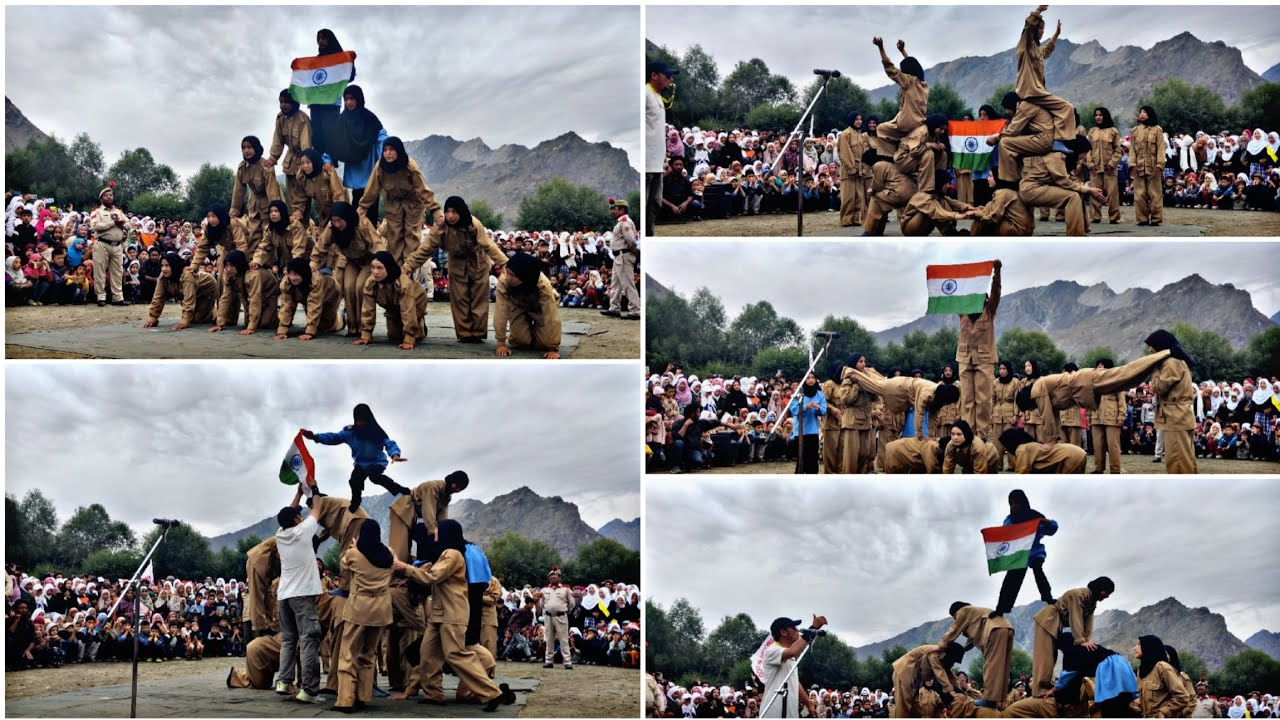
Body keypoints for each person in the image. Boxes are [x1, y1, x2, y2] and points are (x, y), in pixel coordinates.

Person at [392, 520, 517, 711]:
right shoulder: (444, 554)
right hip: (440, 614)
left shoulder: (452, 554)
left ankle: (492, 693)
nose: (434, 534)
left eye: (437, 531)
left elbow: (432, 576)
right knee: (427, 654)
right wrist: (409, 575)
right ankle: (434, 694)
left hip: (452, 613)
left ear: (446, 533)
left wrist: (404, 568)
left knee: (455, 654)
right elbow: (428, 570)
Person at [402, 196, 508, 343]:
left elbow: (489, 245)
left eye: (454, 212)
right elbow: (425, 249)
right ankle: (464, 333)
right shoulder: (440, 227)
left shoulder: (473, 224)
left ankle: (477, 333)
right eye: (447, 211)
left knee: (479, 300)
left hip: (478, 262)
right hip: (456, 264)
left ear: (461, 212)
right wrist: (408, 266)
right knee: (459, 300)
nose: (450, 216)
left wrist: (505, 264)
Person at [303, 404, 410, 513]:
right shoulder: (351, 433)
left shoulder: (377, 433)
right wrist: (315, 437)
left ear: (368, 420)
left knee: (375, 477)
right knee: (354, 480)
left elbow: (389, 444)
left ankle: (399, 489)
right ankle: (356, 501)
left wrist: (395, 455)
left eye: (362, 421)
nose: (359, 423)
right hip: (361, 464)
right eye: (357, 420)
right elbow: (334, 437)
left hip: (377, 462)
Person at [333, 519, 392, 712]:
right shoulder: (388, 554)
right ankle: (363, 696)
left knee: (348, 653)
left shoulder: (353, 554)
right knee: (368, 654)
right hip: (381, 611)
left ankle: (345, 699)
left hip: (359, 609)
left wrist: (354, 546)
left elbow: (343, 567)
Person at [273, 487, 325, 704]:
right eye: (299, 516)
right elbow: (319, 506)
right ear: (296, 520)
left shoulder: (280, 534)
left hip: (284, 595)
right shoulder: (303, 531)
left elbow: (289, 513)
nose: (302, 516)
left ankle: (283, 682)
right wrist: (312, 488)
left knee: (288, 640)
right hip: (302, 596)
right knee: (309, 640)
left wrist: (298, 493)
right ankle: (309, 691)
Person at [357, 136, 442, 263]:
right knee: (394, 240)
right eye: (385, 150)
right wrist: (362, 208)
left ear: (398, 150)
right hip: (393, 205)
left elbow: (423, 190)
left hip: (413, 205)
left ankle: (409, 272)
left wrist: (436, 212)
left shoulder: (409, 166)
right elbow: (372, 190)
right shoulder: (380, 167)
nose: (387, 153)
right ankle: (396, 273)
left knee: (411, 239)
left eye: (391, 149)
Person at [310, 201, 386, 336]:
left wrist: (382, 265)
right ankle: (352, 327)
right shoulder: (332, 227)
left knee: (360, 287)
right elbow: (322, 245)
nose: (337, 224)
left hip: (368, 260)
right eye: (334, 221)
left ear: (347, 217)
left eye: (340, 220)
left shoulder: (362, 224)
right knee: (349, 288)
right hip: (350, 260)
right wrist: (314, 263)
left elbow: (377, 245)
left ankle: (364, 328)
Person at [1030, 577, 1114, 694]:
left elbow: (1088, 623)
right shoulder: (1078, 595)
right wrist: (1080, 641)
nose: (1107, 596)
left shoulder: (1091, 602)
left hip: (1057, 623)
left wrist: (1086, 643)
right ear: (1100, 588)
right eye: (1107, 592)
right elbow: (1076, 617)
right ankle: (1039, 691)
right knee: (1046, 656)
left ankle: (1048, 686)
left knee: (1053, 655)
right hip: (1048, 619)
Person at [846, 366, 960, 440]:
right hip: (898, 387)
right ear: (945, 398)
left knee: (879, 382)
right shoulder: (927, 393)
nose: (947, 404)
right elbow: (919, 414)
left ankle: (867, 371)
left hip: (905, 391)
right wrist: (920, 437)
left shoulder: (939, 397)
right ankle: (852, 373)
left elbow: (934, 416)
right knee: (877, 387)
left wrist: (930, 435)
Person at [1014, 6, 1077, 142]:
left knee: (1053, 115)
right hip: (1032, 92)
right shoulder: (1024, 46)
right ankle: (1060, 141)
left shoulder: (1037, 50)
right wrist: (1038, 11)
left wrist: (1056, 35)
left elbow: (1047, 50)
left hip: (1038, 92)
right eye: (1040, 28)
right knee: (1067, 108)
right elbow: (1028, 26)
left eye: (1043, 29)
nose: (1042, 32)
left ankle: (1051, 138)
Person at [992, 489, 1057, 616]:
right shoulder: (1010, 520)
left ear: (1023, 502)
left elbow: (1051, 530)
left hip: (1035, 553)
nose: (1013, 506)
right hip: (1019, 555)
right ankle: (1001, 609)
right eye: (1011, 503)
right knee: (1011, 580)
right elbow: (1005, 536)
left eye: (1016, 502)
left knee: (1038, 570)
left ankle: (1048, 598)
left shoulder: (1035, 517)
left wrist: (1047, 522)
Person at [938, 602, 1013, 710]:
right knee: (1002, 666)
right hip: (1007, 628)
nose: (955, 619)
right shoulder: (976, 613)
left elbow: (954, 630)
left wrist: (941, 646)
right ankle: (998, 699)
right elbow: (971, 640)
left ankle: (989, 700)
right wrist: (961, 650)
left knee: (991, 665)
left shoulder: (963, 611)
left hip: (994, 630)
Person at [956, 260, 1001, 439]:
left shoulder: (989, 310)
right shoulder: (963, 312)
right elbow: (957, 292)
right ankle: (967, 434)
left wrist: (996, 272)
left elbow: (996, 291)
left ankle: (981, 436)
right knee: (967, 400)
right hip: (964, 358)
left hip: (984, 358)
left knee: (983, 400)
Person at [1145, 329, 1198, 473]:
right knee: (1186, 458)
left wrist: (1155, 370)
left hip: (1175, 417)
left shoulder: (1170, 363)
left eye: (1152, 346)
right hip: (1181, 415)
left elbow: (1158, 387)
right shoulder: (1179, 361)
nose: (1150, 350)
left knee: (1177, 461)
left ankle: (1181, 493)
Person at [494, 252, 562, 359]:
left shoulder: (543, 284)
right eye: (507, 272)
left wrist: (553, 348)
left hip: (539, 307)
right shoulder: (504, 281)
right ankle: (527, 332)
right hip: (517, 305)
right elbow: (501, 311)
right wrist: (501, 343)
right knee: (520, 342)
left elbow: (551, 315)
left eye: (512, 275)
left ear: (524, 277)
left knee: (544, 343)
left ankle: (537, 332)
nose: (508, 277)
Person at [331, 85, 387, 216]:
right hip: (354, 169)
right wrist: (328, 160)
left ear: (359, 99)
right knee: (357, 209)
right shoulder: (342, 120)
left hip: (369, 168)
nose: (349, 102)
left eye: (352, 99)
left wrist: (385, 154)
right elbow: (333, 141)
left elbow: (381, 136)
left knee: (371, 208)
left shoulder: (369, 118)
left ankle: (370, 234)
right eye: (346, 99)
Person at [356, 251, 428, 350]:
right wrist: (366, 335)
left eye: (380, 268)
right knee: (394, 336)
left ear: (388, 268)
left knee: (414, 336)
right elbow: (367, 309)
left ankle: (419, 323)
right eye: (373, 267)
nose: (375, 272)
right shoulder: (371, 283)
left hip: (415, 304)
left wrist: (409, 338)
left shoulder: (403, 284)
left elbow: (408, 311)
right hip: (392, 307)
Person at [760, 616, 827, 718]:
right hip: (774, 711)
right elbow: (794, 650)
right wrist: (813, 627)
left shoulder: (790, 657)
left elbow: (794, 682)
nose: (797, 631)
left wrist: (808, 704)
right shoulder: (772, 651)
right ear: (783, 632)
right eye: (794, 628)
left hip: (790, 712)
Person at [872, 37, 928, 156]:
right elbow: (913, 64)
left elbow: (890, 69)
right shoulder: (923, 84)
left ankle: (888, 157)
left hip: (906, 124)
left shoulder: (908, 81)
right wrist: (903, 51)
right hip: (920, 123)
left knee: (881, 129)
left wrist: (881, 48)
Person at [209, 249, 279, 336]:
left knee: (265, 323)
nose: (228, 269)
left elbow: (255, 299)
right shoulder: (228, 275)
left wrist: (251, 328)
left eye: (231, 265)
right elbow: (225, 298)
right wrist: (220, 323)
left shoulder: (254, 275)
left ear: (238, 265)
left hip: (269, 292)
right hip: (247, 293)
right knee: (247, 322)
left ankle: (279, 316)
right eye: (226, 265)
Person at [142, 252, 217, 330]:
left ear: (174, 265)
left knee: (197, 319)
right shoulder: (163, 276)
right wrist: (152, 318)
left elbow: (188, 298)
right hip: (189, 291)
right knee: (192, 318)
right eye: (162, 266)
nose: (164, 269)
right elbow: (158, 297)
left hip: (207, 289)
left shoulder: (187, 275)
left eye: (167, 265)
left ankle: (215, 312)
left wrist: (184, 321)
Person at [231, 135, 283, 247]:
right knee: (253, 236)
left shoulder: (266, 166)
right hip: (254, 204)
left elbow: (272, 191)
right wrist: (233, 212)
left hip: (268, 203)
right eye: (243, 148)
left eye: (249, 147)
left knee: (269, 235)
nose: (246, 151)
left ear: (256, 148)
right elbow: (238, 192)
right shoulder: (242, 168)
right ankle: (253, 262)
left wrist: (275, 210)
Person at [275, 257, 345, 340]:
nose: (292, 278)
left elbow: (314, 306)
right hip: (304, 293)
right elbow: (286, 306)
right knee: (312, 319)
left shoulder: (316, 281)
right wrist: (282, 330)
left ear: (303, 273)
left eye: (296, 274)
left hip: (330, 293)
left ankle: (341, 317)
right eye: (290, 274)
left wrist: (309, 333)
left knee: (324, 327)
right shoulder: (286, 282)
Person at [890, 643, 965, 718]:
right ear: (948, 656)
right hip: (903, 673)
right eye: (953, 661)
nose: (953, 664)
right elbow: (939, 672)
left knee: (915, 709)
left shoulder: (942, 658)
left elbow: (950, 675)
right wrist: (953, 693)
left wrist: (961, 692)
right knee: (904, 708)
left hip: (914, 680)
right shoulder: (934, 654)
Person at [646, 61, 677, 237]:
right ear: (654, 75)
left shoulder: (657, 96)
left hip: (657, 161)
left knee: (654, 204)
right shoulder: (644, 94)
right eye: (667, 75)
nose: (670, 79)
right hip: (646, 160)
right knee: (646, 204)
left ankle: (650, 235)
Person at [266, 89, 313, 204]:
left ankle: (301, 222)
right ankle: (291, 221)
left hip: (303, 162)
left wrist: (305, 164)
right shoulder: (280, 118)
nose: (283, 105)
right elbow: (278, 139)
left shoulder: (303, 120)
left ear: (294, 102)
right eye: (281, 102)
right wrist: (273, 157)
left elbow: (306, 146)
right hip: (290, 163)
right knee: (290, 199)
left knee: (302, 197)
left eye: (286, 102)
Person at [1135, 635, 1195, 718]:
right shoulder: (1141, 672)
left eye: (1139, 644)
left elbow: (1183, 697)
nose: (1135, 648)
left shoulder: (1162, 667)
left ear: (1148, 646)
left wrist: (1164, 712)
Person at [88, 185, 129, 307]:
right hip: (102, 243)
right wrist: (113, 223)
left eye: (110, 195)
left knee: (117, 271)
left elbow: (129, 225)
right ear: (101, 198)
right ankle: (101, 297)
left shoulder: (119, 211)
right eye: (106, 195)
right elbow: (96, 226)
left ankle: (118, 297)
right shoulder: (97, 212)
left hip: (117, 245)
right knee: (100, 271)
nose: (109, 197)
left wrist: (121, 224)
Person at [290, 148, 349, 231]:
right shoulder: (302, 178)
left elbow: (339, 194)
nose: (305, 166)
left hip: (339, 213)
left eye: (308, 162)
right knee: (323, 240)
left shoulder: (327, 172)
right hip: (323, 215)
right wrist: (297, 213)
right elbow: (299, 199)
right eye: (302, 163)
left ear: (314, 161)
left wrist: (337, 216)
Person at [836, 355, 877, 474]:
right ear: (854, 364)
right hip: (852, 421)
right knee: (851, 456)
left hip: (865, 420)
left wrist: (871, 386)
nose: (864, 364)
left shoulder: (866, 378)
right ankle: (849, 480)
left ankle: (860, 478)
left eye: (864, 361)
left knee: (864, 453)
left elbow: (873, 399)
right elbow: (847, 399)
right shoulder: (848, 380)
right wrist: (856, 385)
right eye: (860, 362)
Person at [603, 199, 640, 320]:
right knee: (615, 284)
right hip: (618, 256)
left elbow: (631, 241)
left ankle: (635, 311)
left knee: (627, 284)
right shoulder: (620, 222)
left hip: (624, 255)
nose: (613, 211)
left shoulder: (625, 222)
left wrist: (634, 253)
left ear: (622, 210)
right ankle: (614, 308)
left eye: (615, 209)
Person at [1084, 108, 1122, 224]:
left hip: (1109, 169)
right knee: (1095, 193)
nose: (1098, 117)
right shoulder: (1091, 132)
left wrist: (1112, 163)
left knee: (1112, 194)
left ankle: (1114, 217)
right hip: (1095, 169)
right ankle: (1095, 216)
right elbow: (1088, 150)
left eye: (1100, 115)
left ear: (1105, 116)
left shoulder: (1113, 131)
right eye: (1096, 115)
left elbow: (1118, 151)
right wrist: (1090, 164)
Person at [1089, 358, 1127, 473]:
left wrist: (1121, 416)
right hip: (1096, 417)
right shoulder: (1093, 383)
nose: (1100, 368)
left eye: (1102, 366)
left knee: (1113, 446)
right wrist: (1088, 415)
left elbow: (1122, 402)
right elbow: (1089, 401)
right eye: (1098, 366)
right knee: (1097, 445)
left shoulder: (1116, 382)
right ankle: (1098, 468)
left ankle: (1115, 469)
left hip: (1112, 418)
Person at [1132, 106, 1166, 226]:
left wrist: (1160, 165)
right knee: (1139, 194)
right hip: (1138, 166)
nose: (1142, 114)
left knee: (1155, 194)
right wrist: (1132, 164)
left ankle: (1156, 219)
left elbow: (1161, 148)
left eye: (1145, 112)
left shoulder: (1157, 130)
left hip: (1154, 167)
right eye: (1141, 112)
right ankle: (1142, 219)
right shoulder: (1135, 131)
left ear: (1150, 114)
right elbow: (1132, 150)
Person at [788, 372, 828, 474]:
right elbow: (793, 409)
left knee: (813, 458)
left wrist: (818, 408)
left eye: (813, 377)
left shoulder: (819, 394)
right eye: (808, 378)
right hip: (801, 431)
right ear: (804, 380)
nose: (811, 380)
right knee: (802, 458)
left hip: (813, 430)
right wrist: (806, 406)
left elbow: (824, 410)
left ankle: (812, 480)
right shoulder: (799, 393)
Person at [837, 112, 871, 226]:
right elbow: (845, 153)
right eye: (856, 119)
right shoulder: (845, 134)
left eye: (860, 119)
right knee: (848, 196)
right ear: (852, 120)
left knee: (858, 197)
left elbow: (865, 154)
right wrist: (852, 169)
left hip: (860, 170)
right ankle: (846, 220)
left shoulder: (860, 135)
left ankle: (855, 220)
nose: (859, 121)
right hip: (848, 170)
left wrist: (863, 169)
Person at [538, 566, 574, 670]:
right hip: (548, 616)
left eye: (555, 576)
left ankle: (567, 661)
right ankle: (549, 661)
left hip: (561, 616)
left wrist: (566, 611)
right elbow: (542, 603)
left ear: (560, 578)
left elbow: (571, 603)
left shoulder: (565, 589)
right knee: (549, 639)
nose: (553, 577)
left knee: (563, 639)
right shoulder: (545, 590)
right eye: (551, 576)